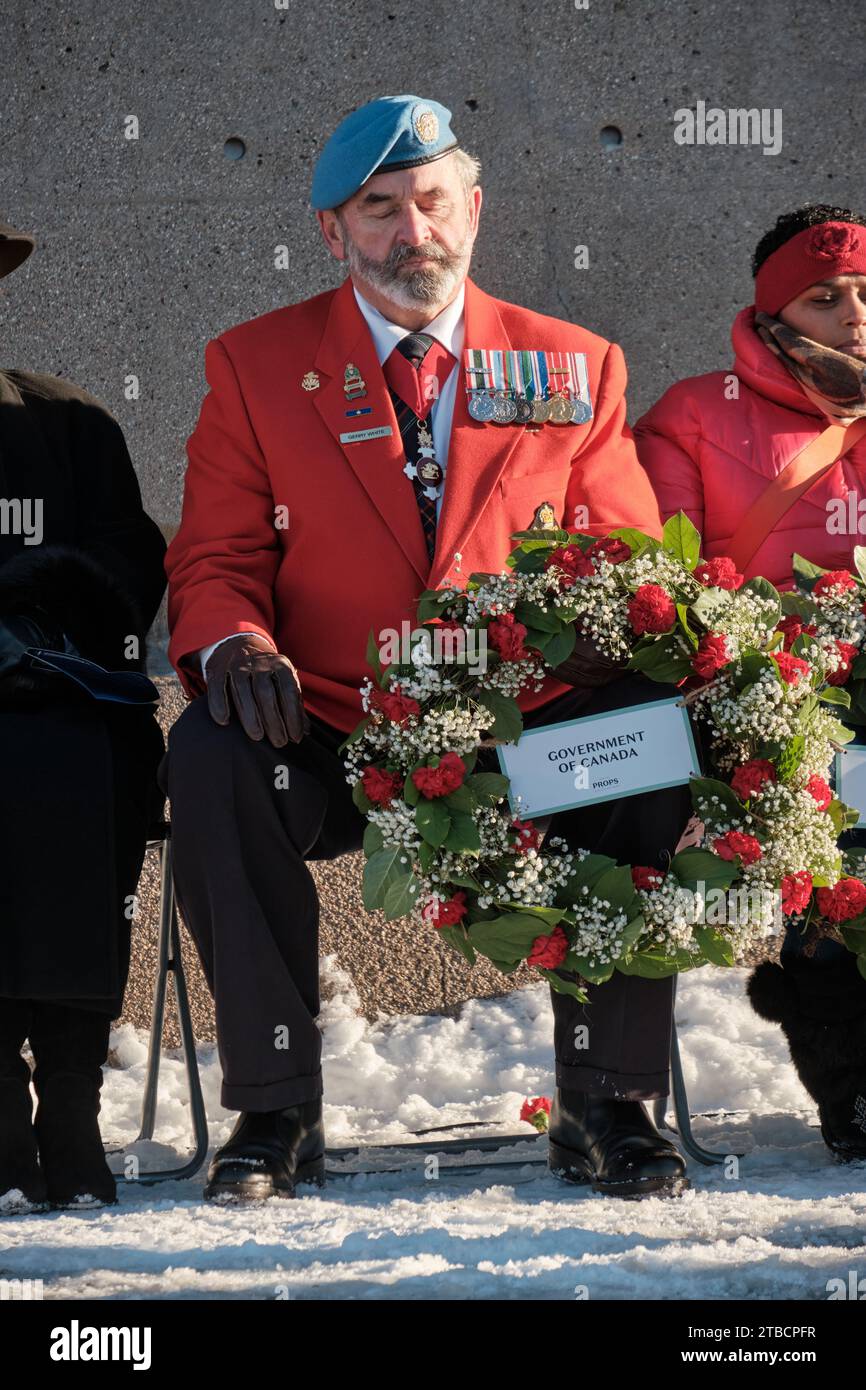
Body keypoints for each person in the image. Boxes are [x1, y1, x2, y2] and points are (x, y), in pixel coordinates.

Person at [164, 94, 692, 1203]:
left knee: (645, 736)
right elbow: (213, 560)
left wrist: (603, 622)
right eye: (380, 208)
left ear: (473, 207)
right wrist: (233, 646)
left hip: (522, 735)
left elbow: (625, 545)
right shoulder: (256, 369)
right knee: (213, 757)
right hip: (336, 732)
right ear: (333, 230)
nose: (414, 232)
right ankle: (275, 1107)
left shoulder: (570, 364)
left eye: (433, 200)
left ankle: (609, 1102)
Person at [634, 205, 866, 1159]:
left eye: (864, 294)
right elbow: (664, 582)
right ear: (774, 314)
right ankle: (851, 1074)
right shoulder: (693, 415)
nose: (854, 313)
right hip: (757, 699)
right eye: (826, 297)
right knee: (837, 770)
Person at [0, 218, 167, 1212]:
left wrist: (46, 597)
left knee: (72, 764)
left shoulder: (69, 420)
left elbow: (131, 560)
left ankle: (67, 1093)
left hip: (63, 702)